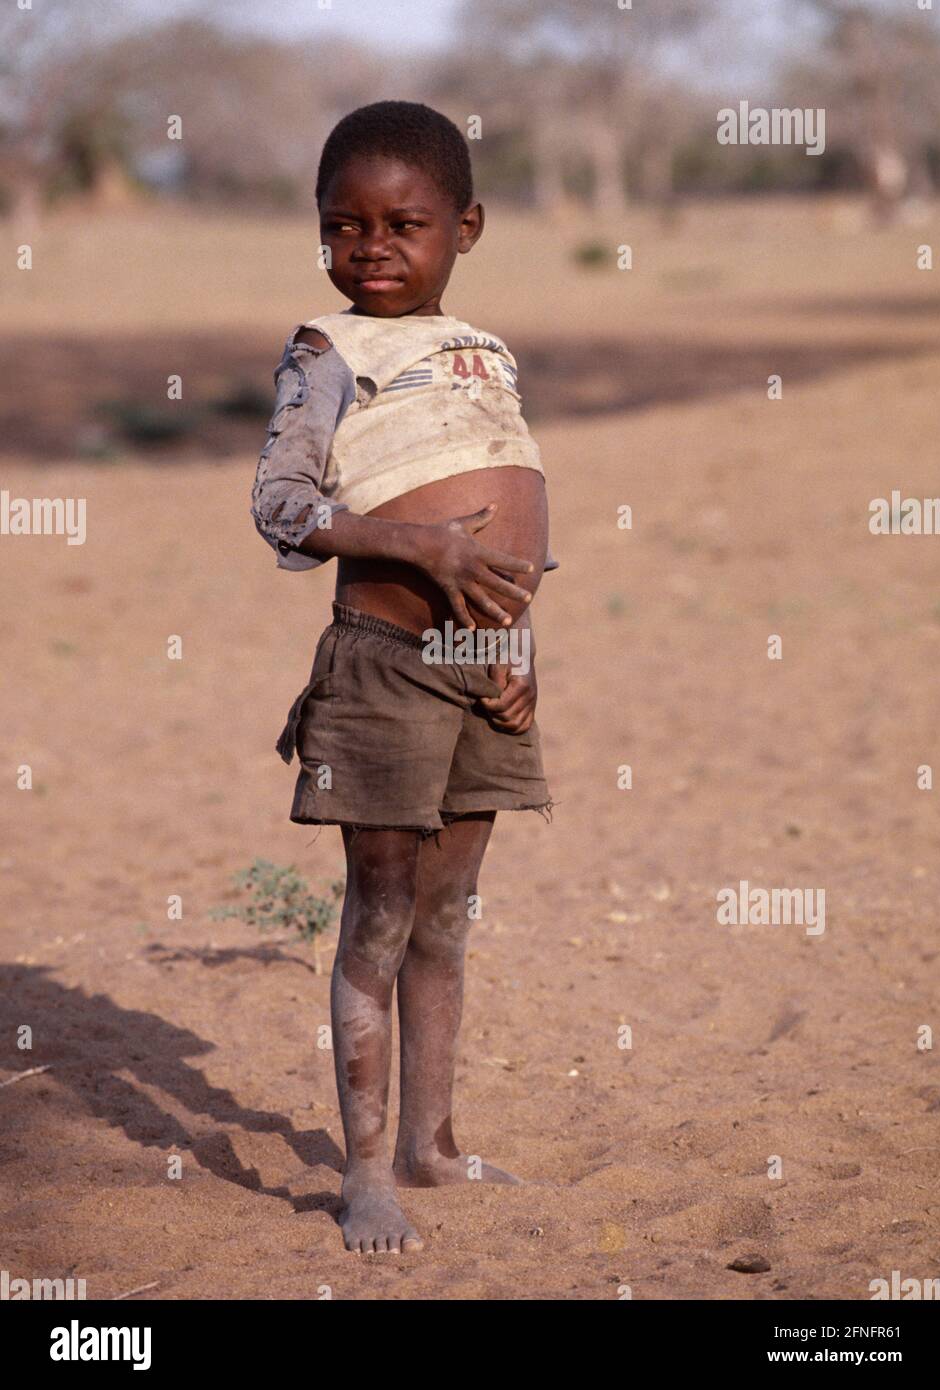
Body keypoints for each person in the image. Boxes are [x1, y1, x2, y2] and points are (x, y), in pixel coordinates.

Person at [251, 101, 557, 1255]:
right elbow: (280, 507)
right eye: (345, 226)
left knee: (448, 919)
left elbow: (510, 519)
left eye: (403, 224)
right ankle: (367, 1171)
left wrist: (512, 647)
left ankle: (431, 1145)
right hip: (381, 671)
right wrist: (416, 547)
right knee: (377, 919)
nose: (371, 249)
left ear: (465, 227)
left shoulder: (486, 348)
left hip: (488, 669)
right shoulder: (327, 352)